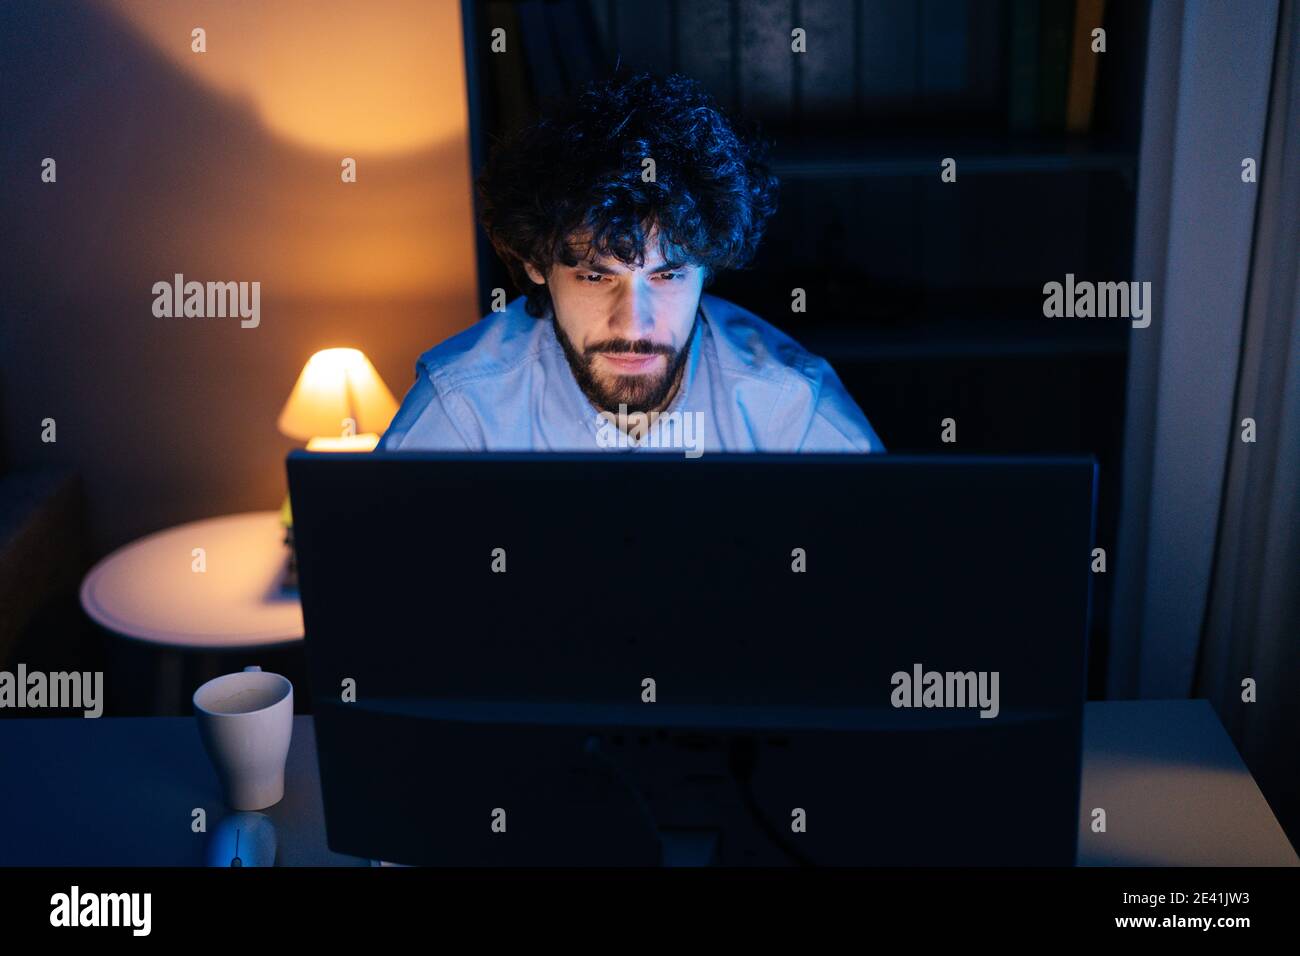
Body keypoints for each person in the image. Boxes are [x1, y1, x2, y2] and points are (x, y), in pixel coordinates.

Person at [380, 71, 884, 454]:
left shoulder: (791, 411)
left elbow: (882, 580)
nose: (634, 324)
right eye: (596, 276)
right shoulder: (464, 411)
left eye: (667, 276)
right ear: (537, 263)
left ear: (707, 268)